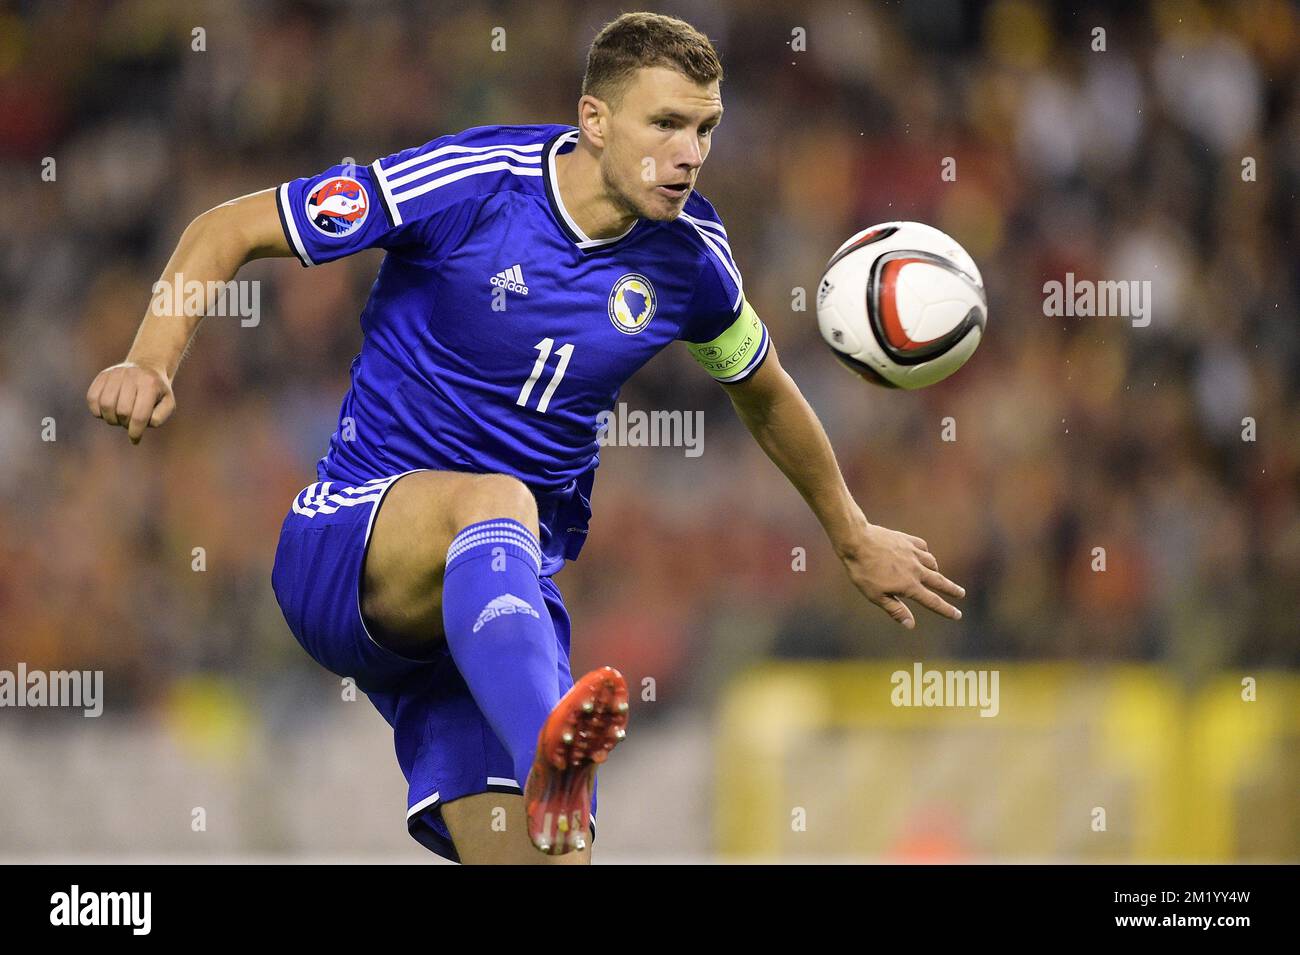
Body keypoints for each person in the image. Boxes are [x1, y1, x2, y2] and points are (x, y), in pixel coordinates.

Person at [86, 11, 964, 864]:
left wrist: (852, 535)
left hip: (489, 609)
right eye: (665, 123)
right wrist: (150, 360)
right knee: (495, 495)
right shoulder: (473, 183)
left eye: (706, 128)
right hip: (347, 544)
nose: (690, 153)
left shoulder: (693, 259)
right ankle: (547, 734)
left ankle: (544, 746)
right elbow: (227, 228)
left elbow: (763, 389)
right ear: (594, 119)